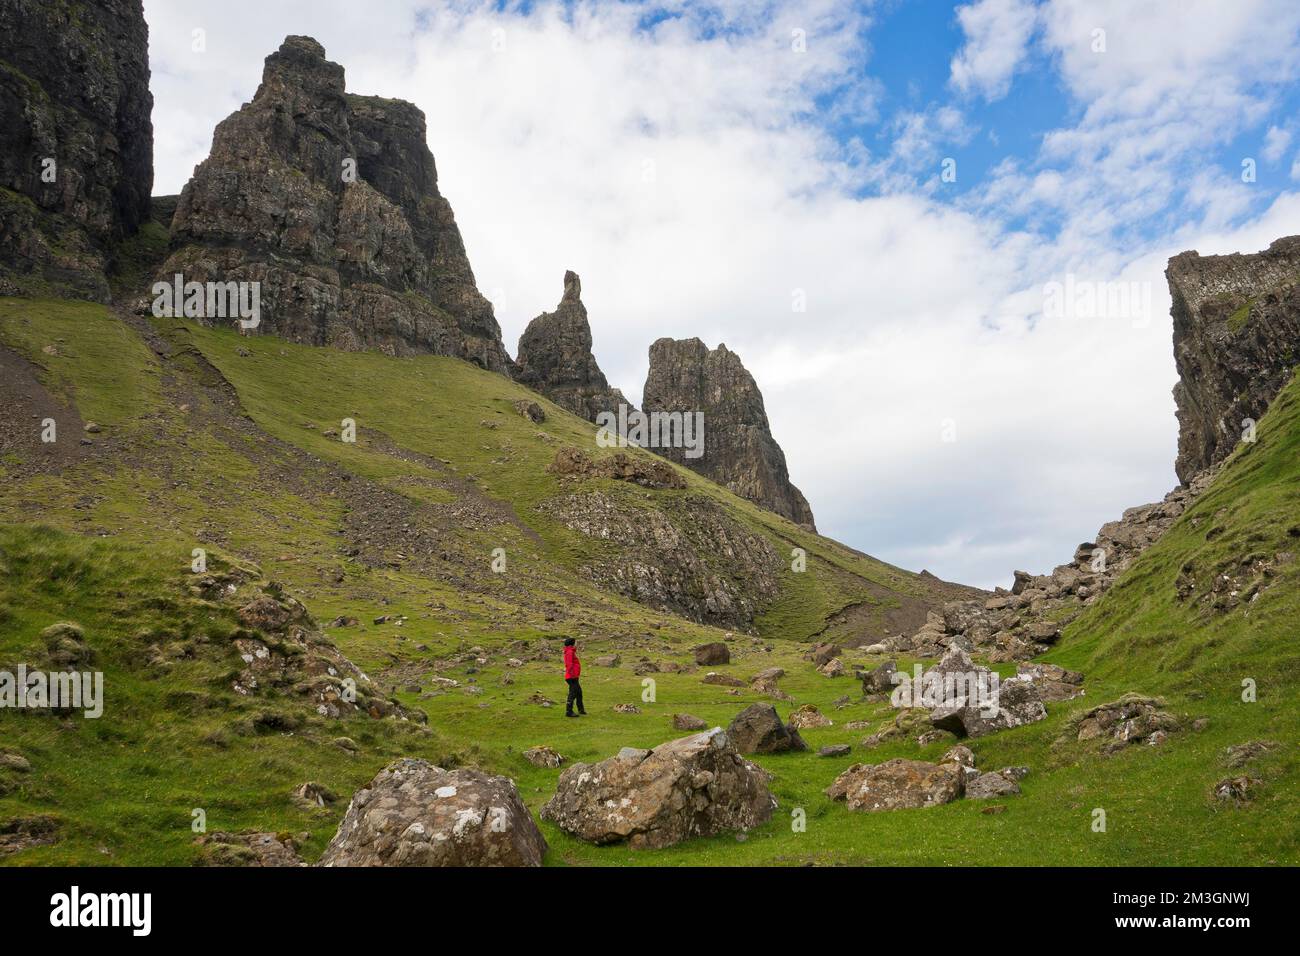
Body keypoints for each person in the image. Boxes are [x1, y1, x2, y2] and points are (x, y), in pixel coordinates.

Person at [563, 637, 585, 717]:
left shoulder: (570, 651)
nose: (576, 644)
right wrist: (572, 675)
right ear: (572, 643)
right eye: (575, 642)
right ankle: (569, 711)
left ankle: (581, 709)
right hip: (572, 677)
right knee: (572, 693)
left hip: (574, 676)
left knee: (579, 693)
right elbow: (569, 664)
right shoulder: (569, 652)